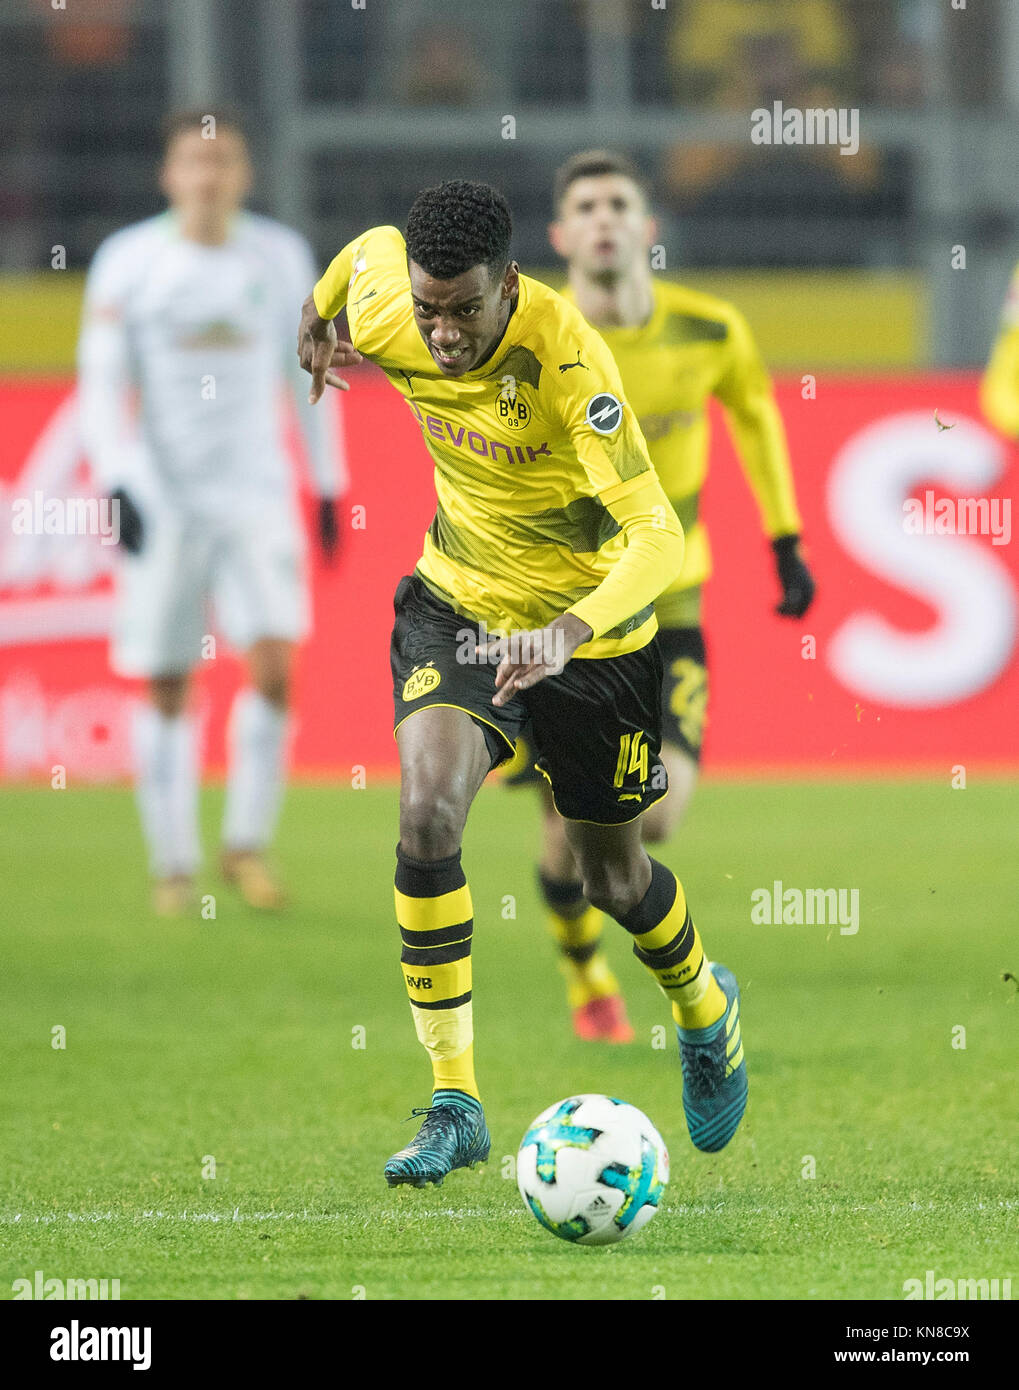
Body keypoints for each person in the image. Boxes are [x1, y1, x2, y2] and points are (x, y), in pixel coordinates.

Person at [298, 180, 747, 1186]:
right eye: (426, 310)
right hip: (457, 604)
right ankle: (454, 1099)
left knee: (614, 881)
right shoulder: (389, 298)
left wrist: (567, 629)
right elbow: (356, 251)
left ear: (507, 283)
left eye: (462, 309)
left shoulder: (567, 358)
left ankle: (703, 1012)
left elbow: (656, 534)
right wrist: (312, 324)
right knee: (424, 815)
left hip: (592, 641)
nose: (441, 332)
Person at [501, 150, 814, 1043]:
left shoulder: (709, 331)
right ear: (560, 237)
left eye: (618, 203)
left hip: (669, 600)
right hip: (557, 613)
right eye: (584, 206)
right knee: (567, 822)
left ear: (647, 228)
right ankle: (583, 970)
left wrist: (783, 538)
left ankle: (652, 964)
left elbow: (755, 414)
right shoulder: (534, 342)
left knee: (657, 813)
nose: (603, 219)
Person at [78, 108, 346, 916]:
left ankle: (246, 847)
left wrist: (328, 484)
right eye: (195, 160)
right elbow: (100, 381)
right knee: (167, 684)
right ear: (169, 174)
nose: (208, 174)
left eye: (223, 159)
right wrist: (117, 480)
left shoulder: (280, 255)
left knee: (272, 670)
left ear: (244, 173)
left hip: (256, 493)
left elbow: (310, 380)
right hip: (163, 494)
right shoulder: (128, 262)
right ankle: (171, 864)